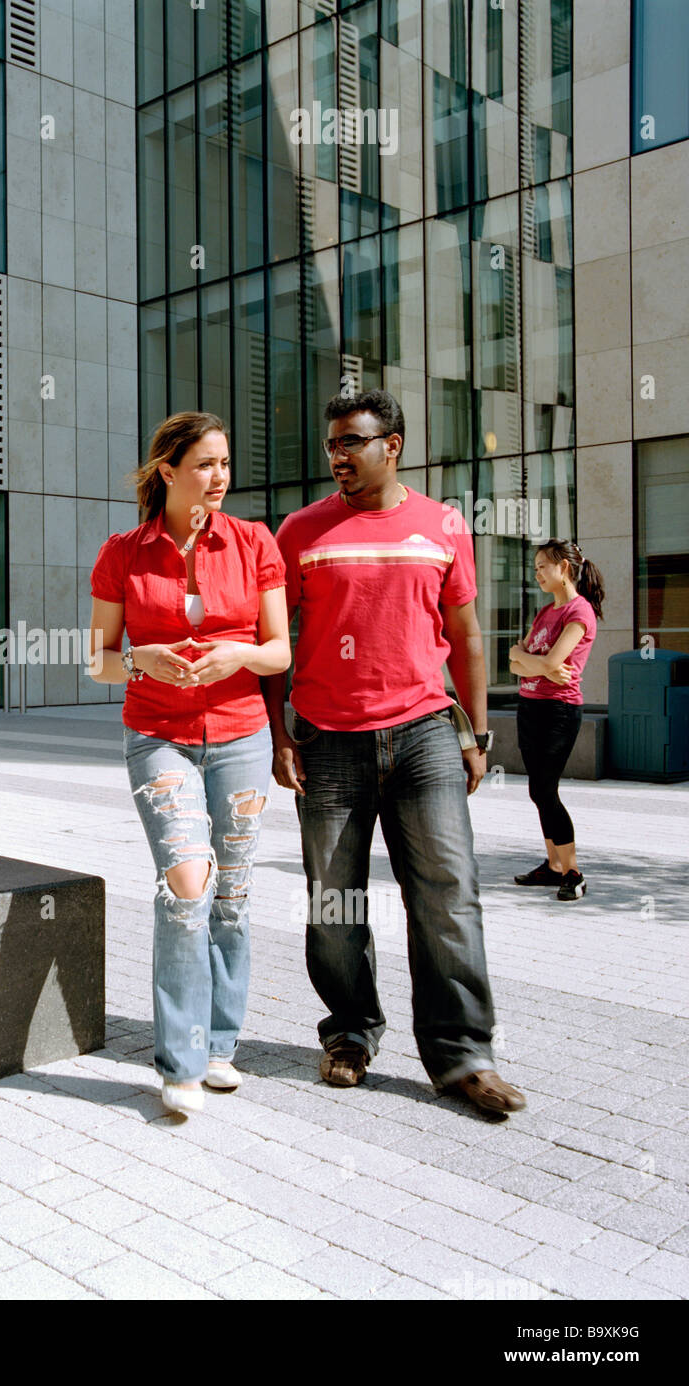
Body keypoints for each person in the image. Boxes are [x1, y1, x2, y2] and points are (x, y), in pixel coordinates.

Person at [265, 389, 525, 1117]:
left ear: (394, 445)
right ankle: (350, 1032)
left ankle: (464, 1058)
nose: (338, 457)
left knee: (448, 897)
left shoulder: (442, 525)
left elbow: (468, 635)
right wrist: (280, 734)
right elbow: (274, 643)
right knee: (335, 902)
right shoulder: (301, 532)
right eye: (332, 445)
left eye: (352, 442)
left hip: (425, 735)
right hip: (329, 739)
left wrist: (475, 730)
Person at [89, 412, 291, 1117]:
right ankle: (178, 1060)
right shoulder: (124, 553)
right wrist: (140, 660)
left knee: (230, 898)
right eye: (205, 464)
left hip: (241, 736)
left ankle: (219, 1045)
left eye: (225, 463)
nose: (220, 477)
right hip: (159, 737)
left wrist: (238, 654)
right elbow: (98, 659)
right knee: (186, 886)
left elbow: (279, 651)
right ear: (168, 471)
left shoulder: (256, 543)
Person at [509, 540, 605, 902]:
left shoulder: (580, 613)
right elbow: (517, 664)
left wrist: (530, 659)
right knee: (538, 790)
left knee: (545, 790)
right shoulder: (545, 612)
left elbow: (551, 663)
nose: (537, 574)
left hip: (558, 711)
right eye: (535, 568)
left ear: (563, 567)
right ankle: (552, 866)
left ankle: (573, 872)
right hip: (529, 707)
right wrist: (524, 657)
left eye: (542, 567)